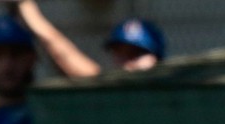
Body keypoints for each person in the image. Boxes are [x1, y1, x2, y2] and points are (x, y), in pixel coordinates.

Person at [10, 0, 165, 77]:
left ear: (157, 59)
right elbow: (67, 58)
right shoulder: (109, 93)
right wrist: (26, 8)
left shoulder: (172, 96)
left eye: (136, 54)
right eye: (120, 54)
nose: (127, 63)